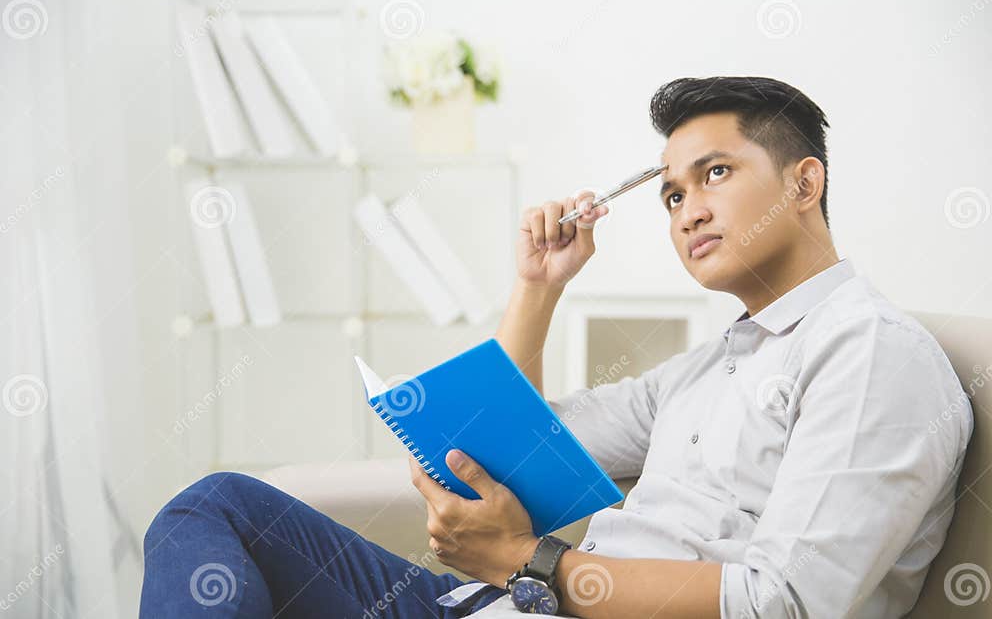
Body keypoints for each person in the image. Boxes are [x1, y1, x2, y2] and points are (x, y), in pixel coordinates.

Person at [140, 77, 972, 618]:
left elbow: (784, 601)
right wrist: (539, 288)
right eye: (672, 192)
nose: (686, 208)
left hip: (527, 599)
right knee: (214, 507)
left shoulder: (869, 354)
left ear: (804, 181)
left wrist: (525, 561)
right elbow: (504, 448)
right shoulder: (718, 361)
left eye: (714, 174)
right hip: (477, 604)